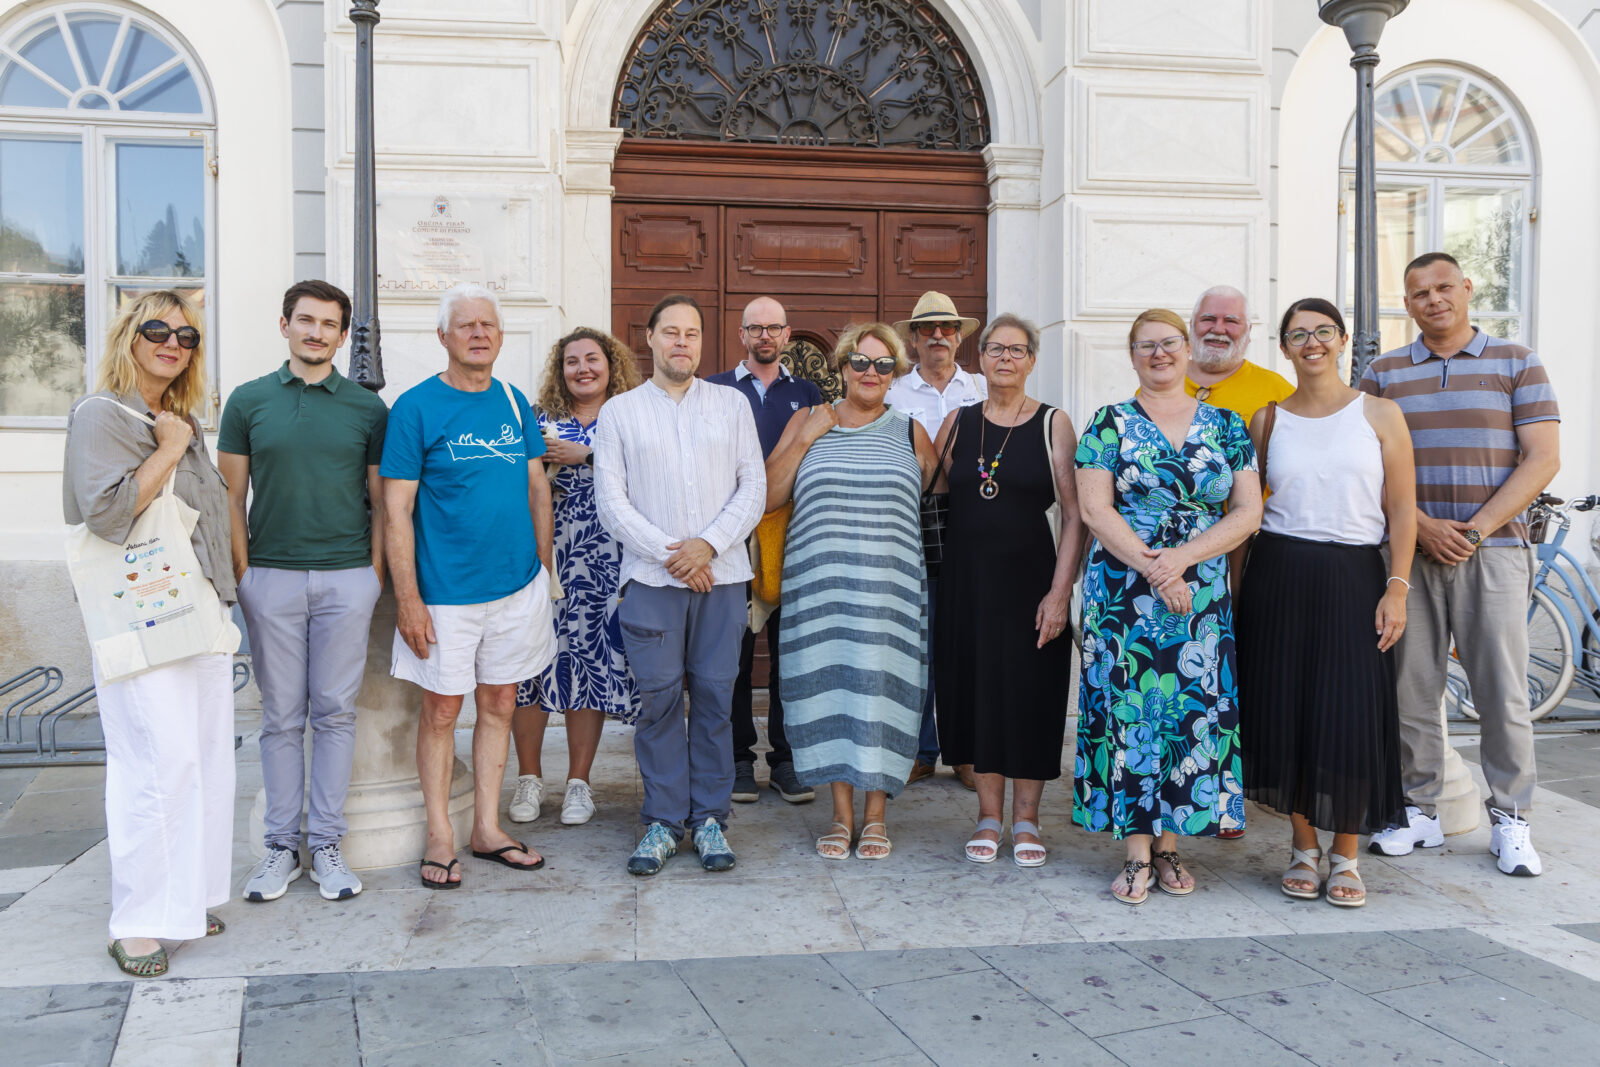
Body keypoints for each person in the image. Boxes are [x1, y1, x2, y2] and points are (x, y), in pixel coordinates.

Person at [1360, 252, 1560, 877]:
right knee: (1410, 687)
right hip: (1406, 555)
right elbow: (1362, 465)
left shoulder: (1517, 361)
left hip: (1492, 552)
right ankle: (1419, 809)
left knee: (1501, 691)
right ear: (1407, 303)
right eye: (1419, 292)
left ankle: (1512, 819)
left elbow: (1543, 458)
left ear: (1468, 289)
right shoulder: (1383, 373)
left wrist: (1473, 530)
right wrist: (1420, 526)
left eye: (1444, 287)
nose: (1434, 299)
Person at [63, 290, 235, 977]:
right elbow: (107, 514)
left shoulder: (180, 419)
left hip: (197, 609)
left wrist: (227, 597)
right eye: (158, 330)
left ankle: (186, 900)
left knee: (204, 761)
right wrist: (169, 448)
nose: (173, 343)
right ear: (130, 335)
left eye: (187, 337)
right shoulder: (101, 414)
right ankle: (138, 921)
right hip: (140, 615)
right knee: (154, 765)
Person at [1073, 308, 1262, 904]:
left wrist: (1181, 559)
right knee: (1132, 711)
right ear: (1132, 356)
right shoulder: (1108, 422)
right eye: (1146, 345)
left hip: (1199, 593)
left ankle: (1170, 845)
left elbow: (1248, 510)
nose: (1159, 353)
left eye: (1169, 342)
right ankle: (1136, 851)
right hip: (1124, 592)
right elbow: (1094, 509)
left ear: (1187, 349)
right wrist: (1156, 567)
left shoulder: (1228, 424)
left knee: (1188, 716)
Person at [1237, 299, 1416, 907]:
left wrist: (1398, 587)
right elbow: (1247, 512)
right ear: (1283, 347)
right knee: (1289, 710)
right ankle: (1302, 847)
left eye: (1322, 331)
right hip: (1278, 573)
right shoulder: (1267, 419)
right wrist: (1235, 592)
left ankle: (1346, 855)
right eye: (1298, 334)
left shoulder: (1381, 414)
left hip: (1355, 574)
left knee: (1350, 712)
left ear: (1341, 340)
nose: (1311, 342)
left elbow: (1402, 509)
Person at [381, 283, 557, 889]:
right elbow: (396, 510)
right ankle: (440, 834)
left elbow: (537, 488)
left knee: (501, 703)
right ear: (443, 337)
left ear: (500, 337)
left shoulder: (512, 400)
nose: (479, 333)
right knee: (441, 710)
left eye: (488, 325)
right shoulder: (415, 408)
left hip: (516, 588)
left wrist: (542, 569)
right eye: (466, 325)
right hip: (444, 594)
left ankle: (486, 827)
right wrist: (408, 598)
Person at [221, 280, 387, 904]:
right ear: (285, 324)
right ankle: (279, 847)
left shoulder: (368, 409)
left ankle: (326, 845)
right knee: (281, 717)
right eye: (306, 321)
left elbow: (381, 500)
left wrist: (374, 574)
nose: (317, 333)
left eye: (329, 325)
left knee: (337, 713)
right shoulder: (248, 401)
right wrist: (244, 575)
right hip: (271, 577)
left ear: (343, 336)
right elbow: (231, 497)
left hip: (347, 577)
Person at [594, 294, 765, 875]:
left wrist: (707, 546)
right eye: (671, 332)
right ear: (649, 338)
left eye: (691, 333)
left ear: (701, 342)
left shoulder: (731, 405)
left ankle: (711, 818)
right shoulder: (620, 412)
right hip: (651, 579)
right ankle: (664, 821)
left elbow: (753, 487)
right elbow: (611, 501)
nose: (682, 343)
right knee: (660, 700)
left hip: (722, 577)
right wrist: (675, 555)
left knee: (716, 697)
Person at [765, 323, 937, 860]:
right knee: (832, 692)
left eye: (884, 365)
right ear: (842, 366)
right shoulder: (807, 420)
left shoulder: (911, 431)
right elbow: (768, 495)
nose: (871, 372)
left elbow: (935, 498)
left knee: (881, 695)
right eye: (860, 362)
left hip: (890, 593)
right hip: (820, 592)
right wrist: (807, 437)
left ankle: (876, 816)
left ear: (896, 374)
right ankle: (840, 816)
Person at [933, 314, 1084, 867]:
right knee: (976, 695)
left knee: (1029, 697)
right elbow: (935, 494)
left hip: (1031, 586)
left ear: (1032, 360)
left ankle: (1026, 819)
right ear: (980, 358)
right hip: (966, 586)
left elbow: (1076, 515)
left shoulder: (1053, 423)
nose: (1005, 358)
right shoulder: (958, 421)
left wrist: (1060, 593)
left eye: (1017, 350)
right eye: (995, 349)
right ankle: (988, 816)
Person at [508, 327, 643, 827]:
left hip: (605, 563)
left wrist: (586, 456)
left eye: (592, 359)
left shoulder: (629, 417)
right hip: (543, 559)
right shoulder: (536, 419)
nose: (582, 368)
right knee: (532, 668)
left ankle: (578, 784)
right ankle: (528, 778)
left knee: (589, 664)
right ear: (560, 370)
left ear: (611, 365)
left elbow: (652, 476)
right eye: (572, 361)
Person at [1186, 284, 1292, 838]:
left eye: (1231, 321)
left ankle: (1235, 795)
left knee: (1240, 675)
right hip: (1179, 560)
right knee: (1192, 683)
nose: (1218, 329)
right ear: (1192, 325)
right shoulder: (1165, 376)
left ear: (1248, 331)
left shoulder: (1275, 390)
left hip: (1254, 548)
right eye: (1209, 318)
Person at [706, 297, 822, 805]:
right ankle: (736, 759)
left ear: (787, 334)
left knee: (788, 652)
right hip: (730, 537)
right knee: (731, 654)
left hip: (790, 536)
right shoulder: (714, 390)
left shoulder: (807, 393)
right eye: (756, 328)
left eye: (774, 328)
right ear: (742, 335)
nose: (765, 336)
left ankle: (786, 759)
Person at [884, 290, 987, 789]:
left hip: (975, 524)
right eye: (928, 328)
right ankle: (920, 750)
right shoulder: (892, 393)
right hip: (911, 522)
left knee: (966, 640)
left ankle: (964, 752)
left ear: (960, 335)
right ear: (913, 338)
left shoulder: (984, 387)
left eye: (947, 327)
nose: (939, 335)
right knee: (917, 640)